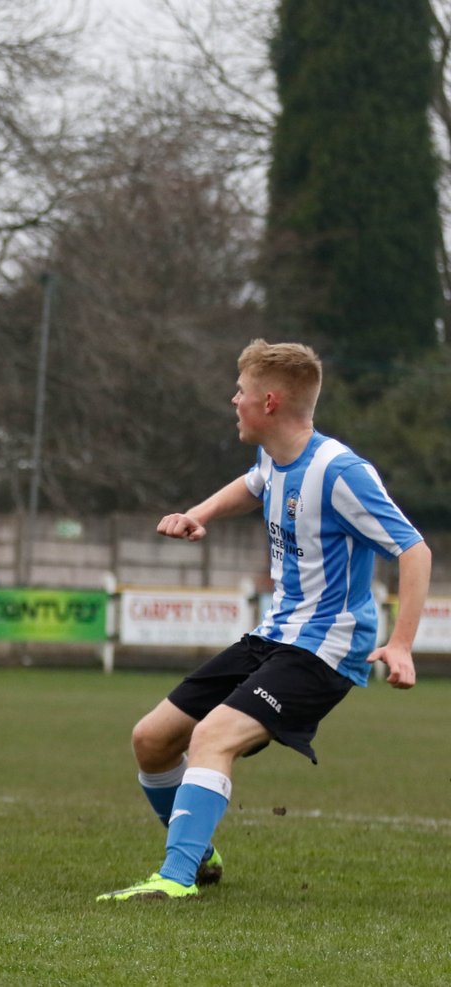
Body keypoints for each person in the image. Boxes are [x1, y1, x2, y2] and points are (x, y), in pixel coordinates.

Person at [99, 340, 431, 902]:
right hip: (274, 636)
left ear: (269, 402)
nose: (234, 400)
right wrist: (197, 514)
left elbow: (413, 549)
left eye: (242, 393)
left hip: (324, 649)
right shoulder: (276, 458)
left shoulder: (339, 471)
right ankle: (200, 859)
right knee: (152, 739)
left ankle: (174, 881)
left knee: (212, 736)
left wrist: (402, 643)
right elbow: (253, 485)